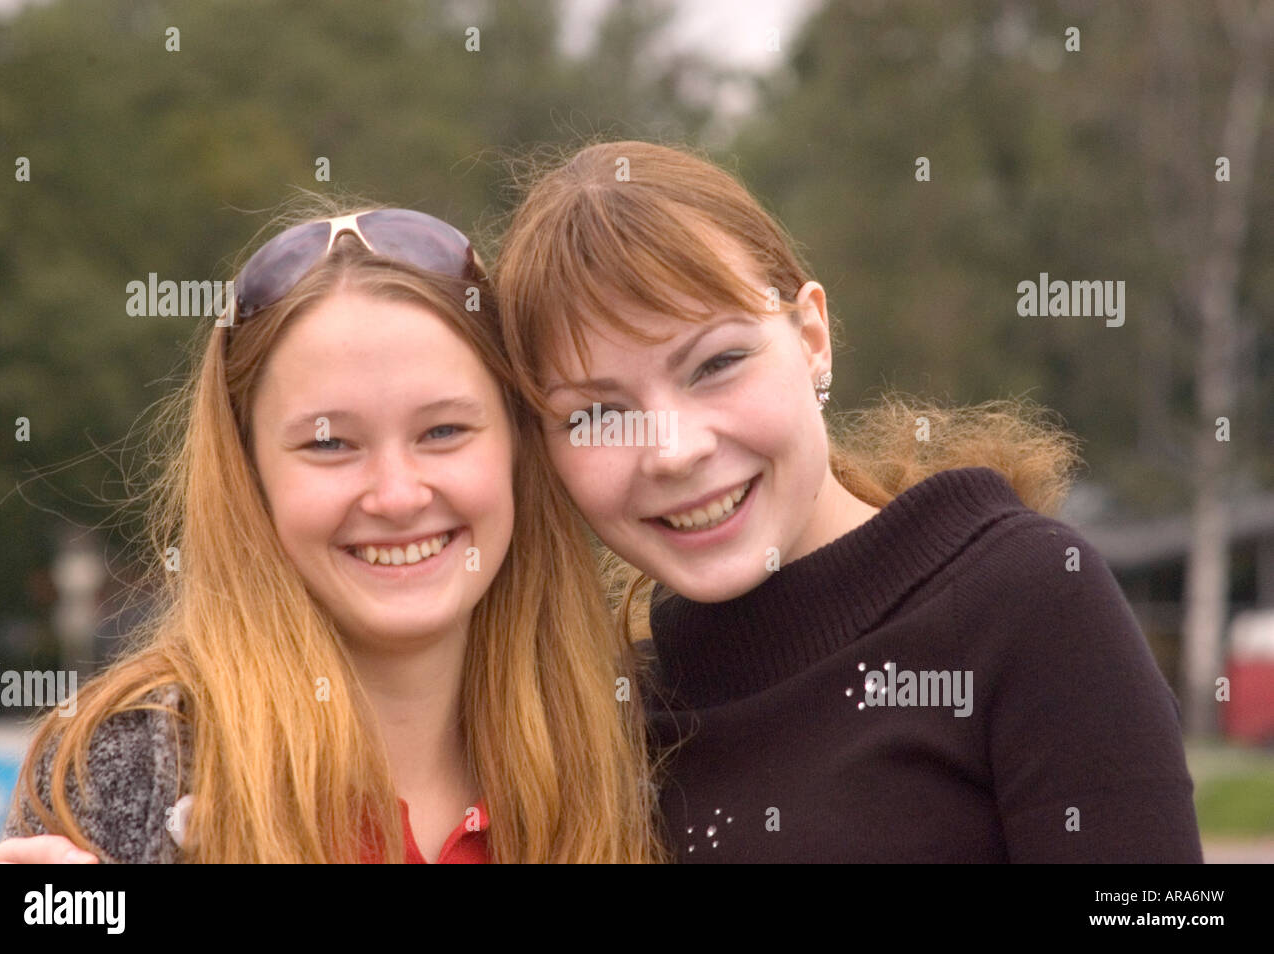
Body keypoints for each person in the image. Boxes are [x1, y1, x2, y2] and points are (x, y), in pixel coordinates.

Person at [492, 139, 1204, 862]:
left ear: (812, 338)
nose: (674, 451)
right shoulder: (596, 722)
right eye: (598, 416)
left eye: (716, 364)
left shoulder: (1027, 602)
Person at [0, 204, 658, 863]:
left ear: (517, 444)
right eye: (330, 443)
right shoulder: (134, 764)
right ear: (249, 473)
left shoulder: (637, 739)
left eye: (443, 431)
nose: (397, 496)